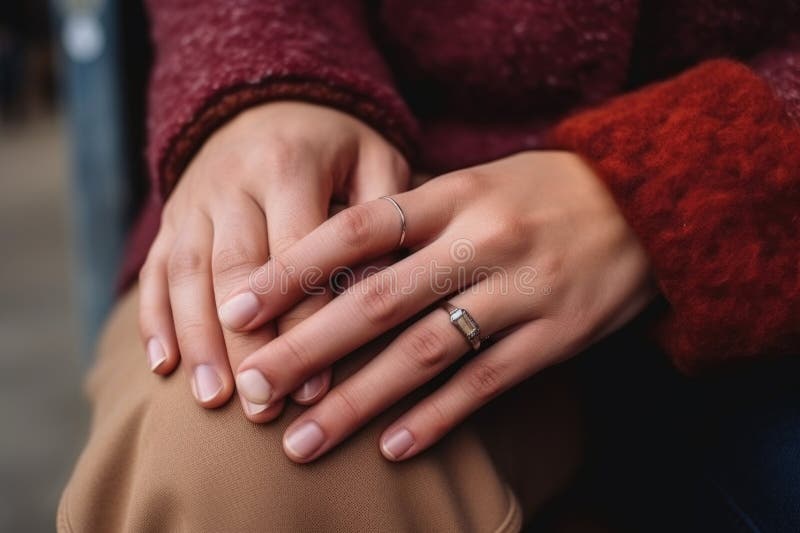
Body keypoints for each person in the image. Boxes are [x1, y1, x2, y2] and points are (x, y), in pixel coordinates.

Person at [59, 1, 800, 531]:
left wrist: (678, 182)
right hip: (370, 175)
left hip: (763, 219)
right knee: (240, 449)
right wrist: (262, 85)